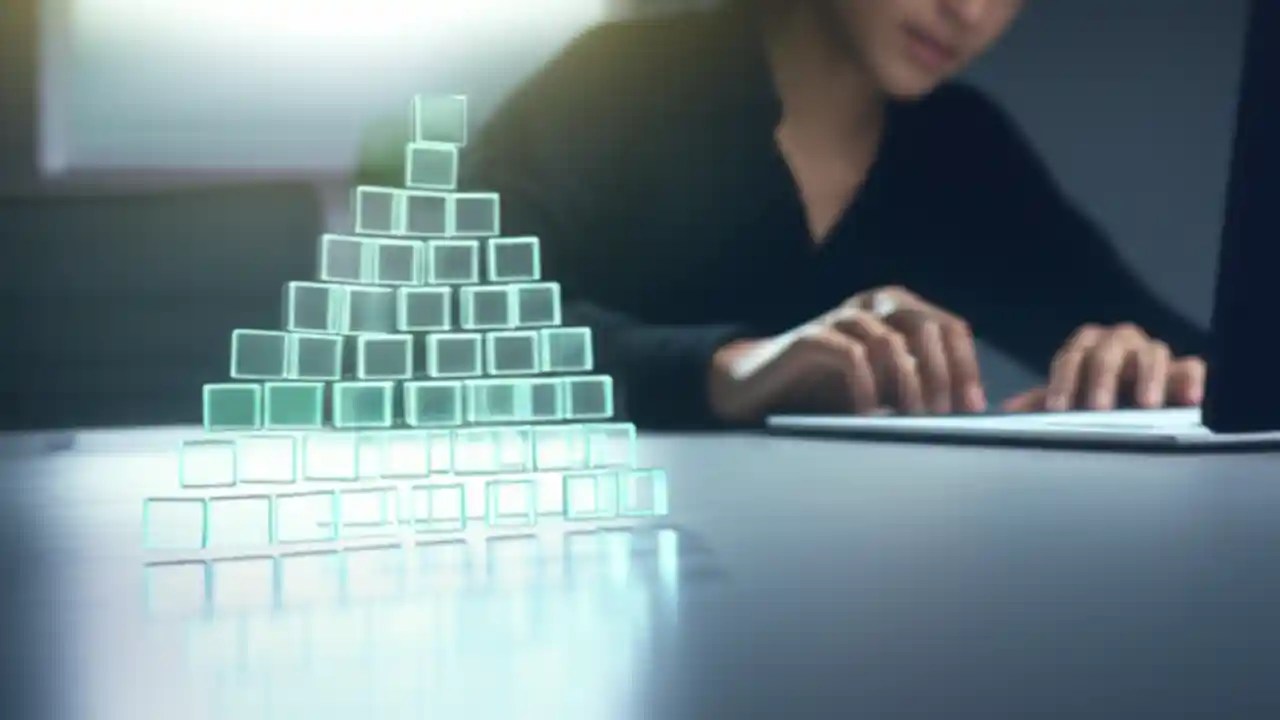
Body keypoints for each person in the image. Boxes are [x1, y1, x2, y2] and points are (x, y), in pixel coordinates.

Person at [362, 0, 1208, 428]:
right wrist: (727, 368)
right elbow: (434, 336)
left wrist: (1150, 370)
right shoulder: (624, 78)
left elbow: (1219, 365)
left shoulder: (960, 152)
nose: (972, 9)